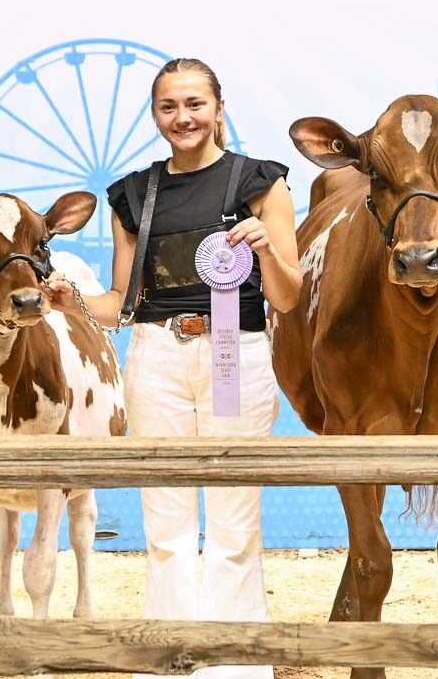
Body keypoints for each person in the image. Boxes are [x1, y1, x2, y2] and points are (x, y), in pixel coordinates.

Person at [44, 57, 300, 679]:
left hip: (235, 353)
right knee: (165, 516)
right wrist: (72, 301)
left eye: (194, 104)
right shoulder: (135, 194)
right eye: (168, 106)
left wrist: (265, 250)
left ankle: (235, 663)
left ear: (218, 107)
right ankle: (173, 657)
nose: (182, 117)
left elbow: (289, 297)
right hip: (157, 356)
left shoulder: (262, 183)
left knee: (235, 516)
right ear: (155, 114)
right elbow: (124, 305)